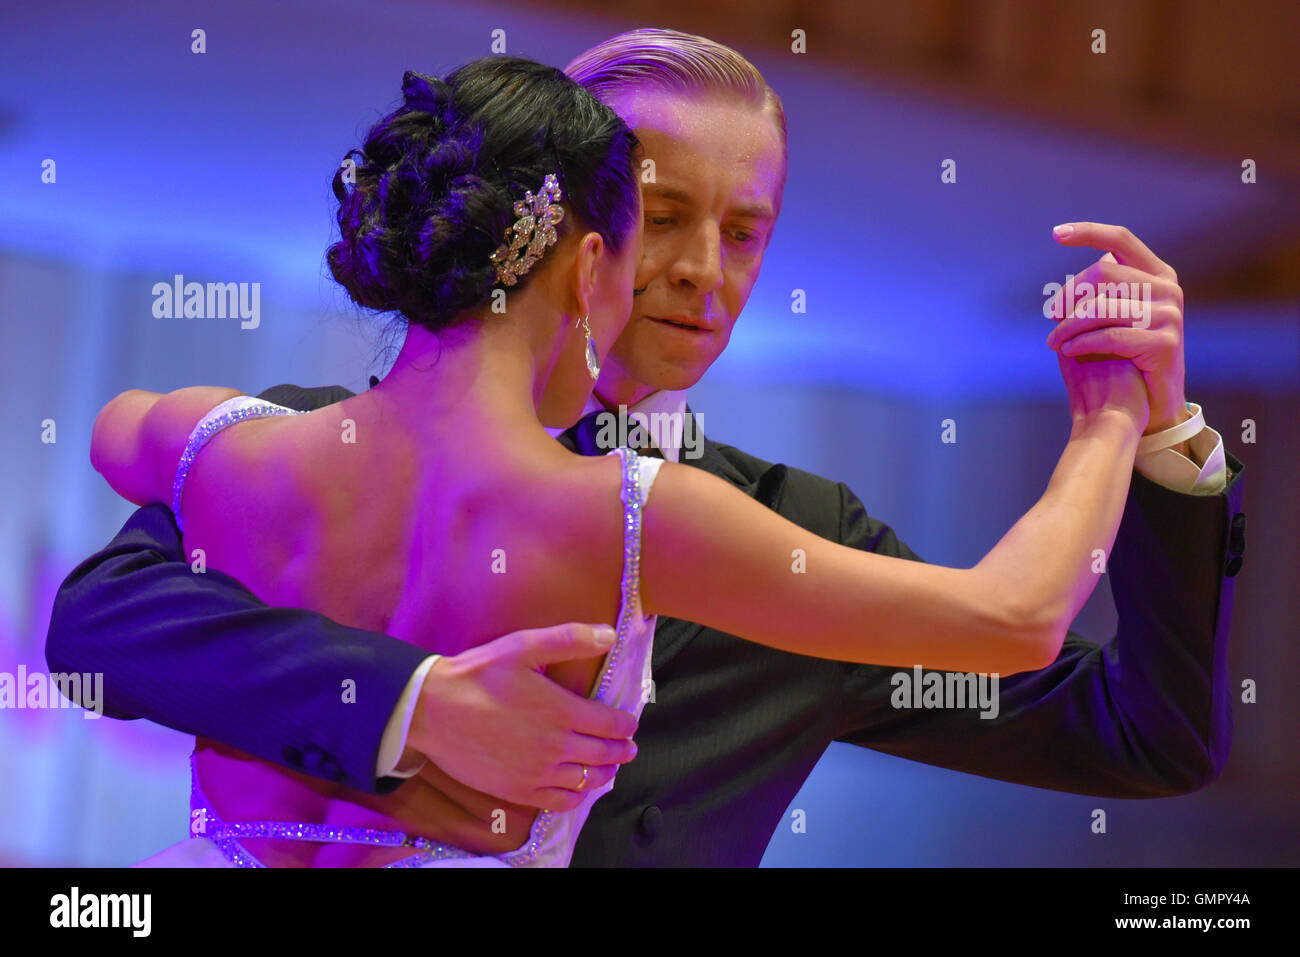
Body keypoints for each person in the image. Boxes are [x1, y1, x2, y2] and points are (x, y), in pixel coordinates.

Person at [48, 30, 1245, 867]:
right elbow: (101, 625)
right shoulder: (320, 430)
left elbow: (1144, 736)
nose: (699, 272)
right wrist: (408, 705)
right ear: (579, 229)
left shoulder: (801, 532)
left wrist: (1162, 435)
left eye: (745, 231)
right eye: (660, 217)